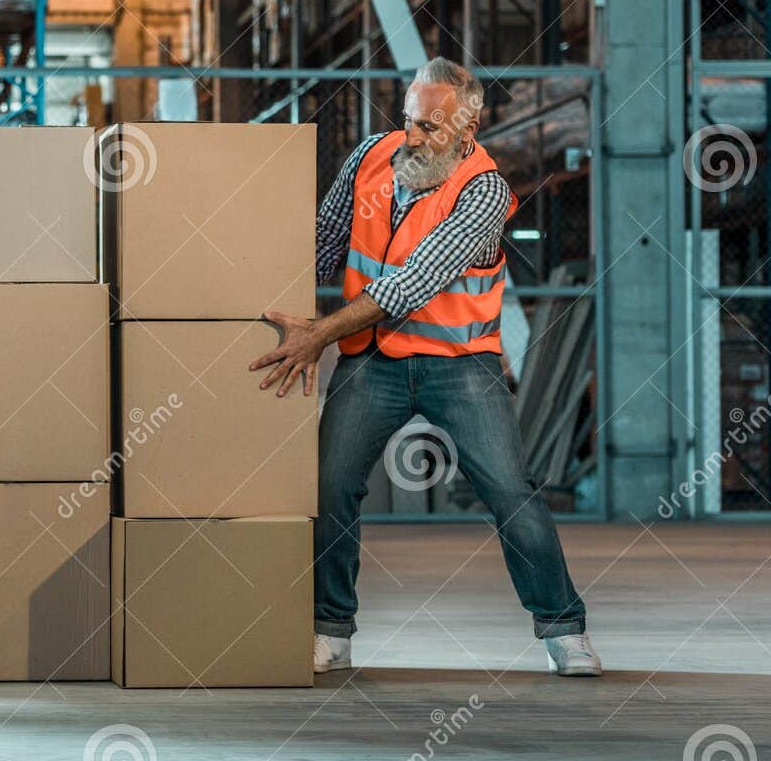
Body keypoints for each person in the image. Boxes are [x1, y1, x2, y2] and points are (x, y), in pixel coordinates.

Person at [249, 57, 601, 677]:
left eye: (431, 129)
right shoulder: (370, 158)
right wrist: (244, 301)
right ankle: (331, 628)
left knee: (509, 491)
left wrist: (318, 337)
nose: (413, 136)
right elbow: (324, 243)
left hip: (461, 365)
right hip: (375, 361)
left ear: (467, 130)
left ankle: (563, 629)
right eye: (410, 120)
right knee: (330, 484)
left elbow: (411, 284)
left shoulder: (484, 189)